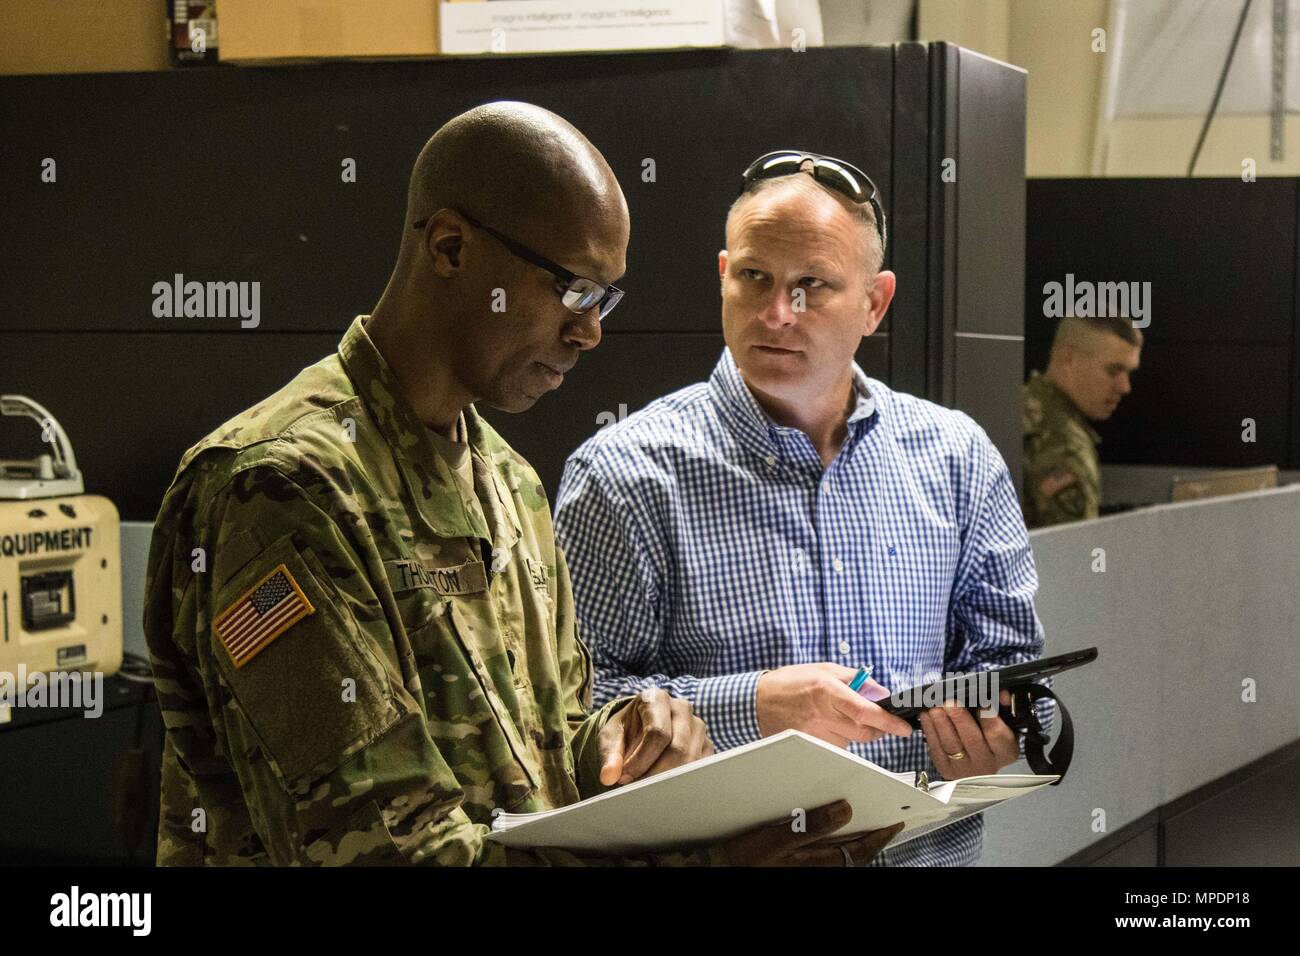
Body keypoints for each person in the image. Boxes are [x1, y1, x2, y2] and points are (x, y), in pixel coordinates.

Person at [143, 108, 902, 867]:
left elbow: (549, 747)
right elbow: (383, 849)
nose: (590, 332)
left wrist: (621, 734)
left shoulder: (507, 481)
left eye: (606, 301)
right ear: (451, 247)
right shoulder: (281, 487)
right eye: (574, 290)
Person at [554, 150, 1046, 867]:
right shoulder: (625, 474)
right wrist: (753, 706)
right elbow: (578, 712)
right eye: (755, 278)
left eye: (812, 285)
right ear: (724, 276)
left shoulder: (956, 457)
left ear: (875, 303)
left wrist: (1000, 730)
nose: (777, 313)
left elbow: (1013, 665)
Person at [1022, 315, 1142, 527]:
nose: (1125, 387)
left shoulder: (1016, 404)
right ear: (1068, 358)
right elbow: (1079, 554)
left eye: (1128, 373)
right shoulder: (1066, 445)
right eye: (1113, 371)